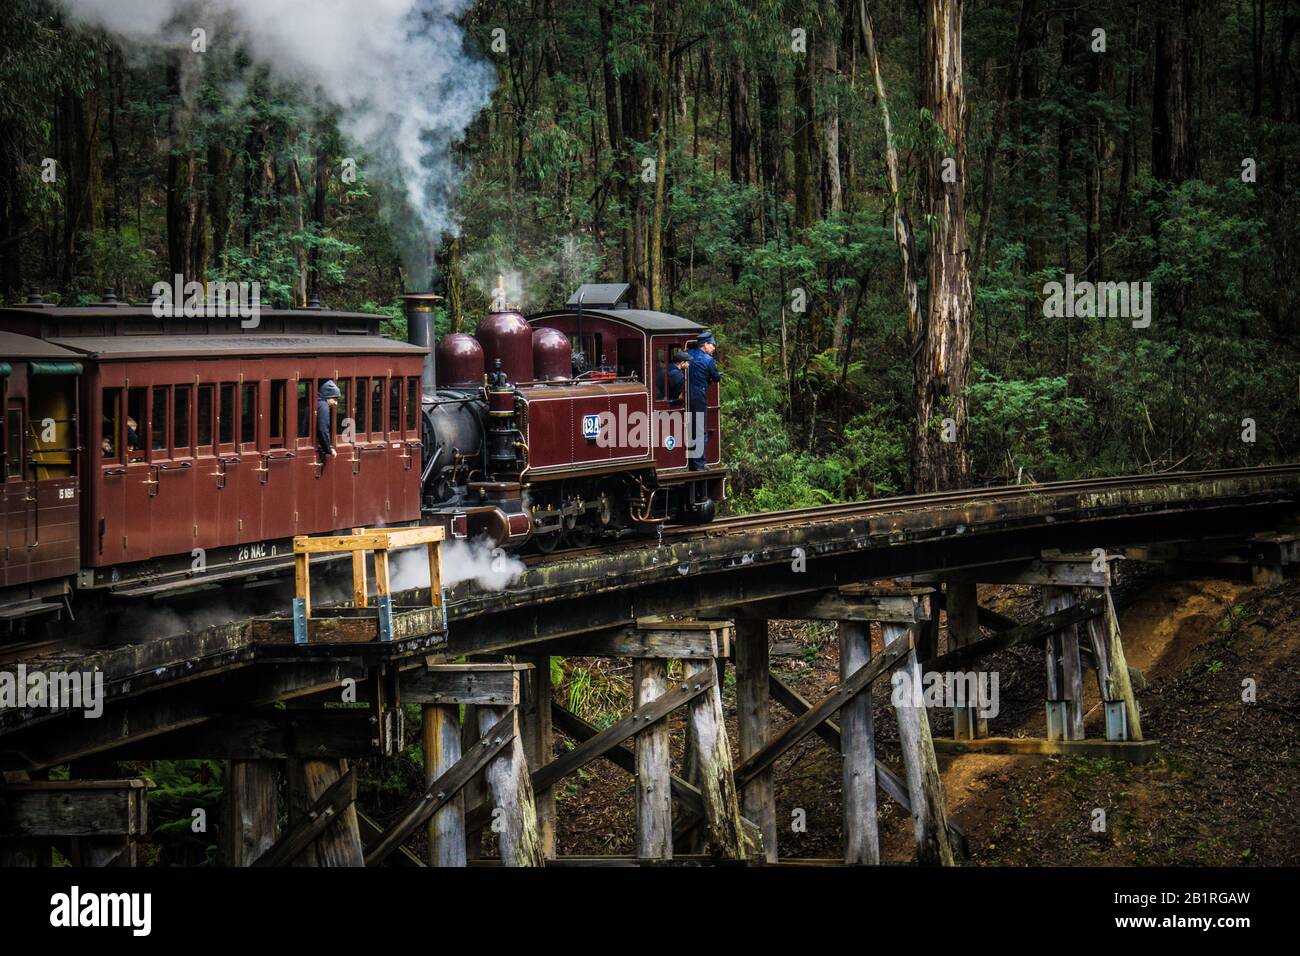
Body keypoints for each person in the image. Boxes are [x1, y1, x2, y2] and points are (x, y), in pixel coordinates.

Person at [687, 332, 721, 470]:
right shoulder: (708, 360)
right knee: (700, 430)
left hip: (685, 394)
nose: (714, 348)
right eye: (712, 345)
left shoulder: (687, 354)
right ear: (705, 344)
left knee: (690, 428)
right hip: (699, 396)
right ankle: (699, 464)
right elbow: (716, 377)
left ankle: (690, 462)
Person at [317, 379, 341, 460]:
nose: (336, 403)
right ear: (327, 396)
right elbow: (323, 429)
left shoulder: (316, 403)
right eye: (335, 399)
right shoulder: (323, 406)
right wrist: (329, 449)